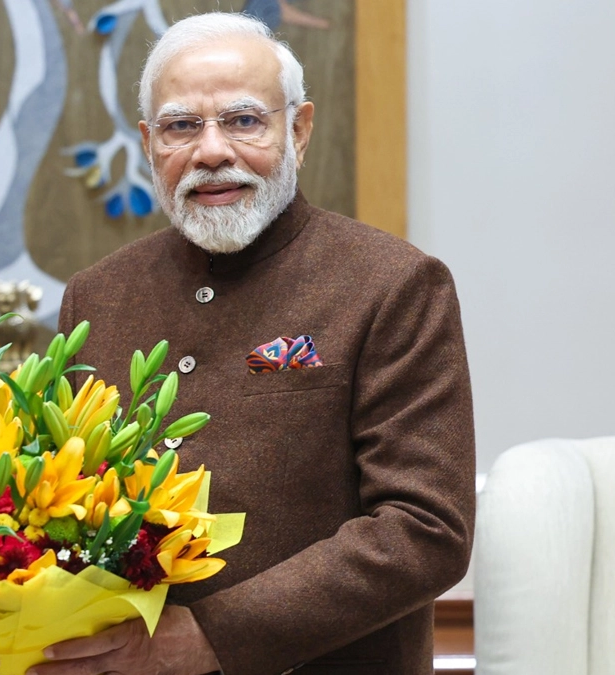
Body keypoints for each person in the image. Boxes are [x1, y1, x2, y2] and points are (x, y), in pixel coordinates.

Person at [41, 12, 474, 675]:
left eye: (244, 121)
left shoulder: (391, 284)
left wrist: (211, 635)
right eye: (182, 126)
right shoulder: (96, 297)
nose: (211, 150)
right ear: (149, 144)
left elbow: (425, 529)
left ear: (298, 131)